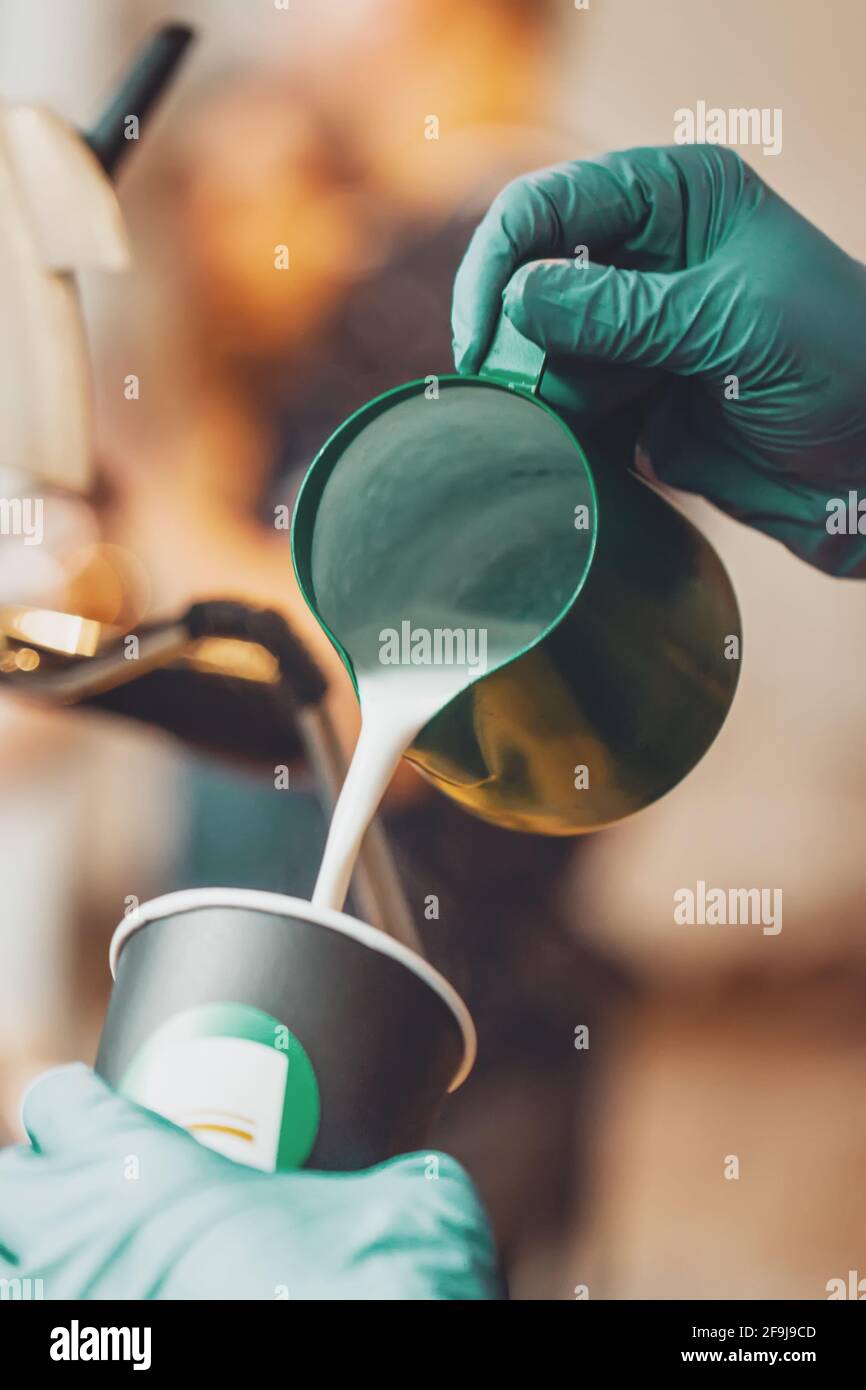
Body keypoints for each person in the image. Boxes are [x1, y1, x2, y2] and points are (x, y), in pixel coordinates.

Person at [2, 143, 864, 1300]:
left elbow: (369, 678)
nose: (340, 225)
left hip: (479, 1017)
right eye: (290, 181)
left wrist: (144, 503)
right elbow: (66, 695)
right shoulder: (238, 438)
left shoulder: (387, 378)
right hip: (222, 992)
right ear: (190, 243)